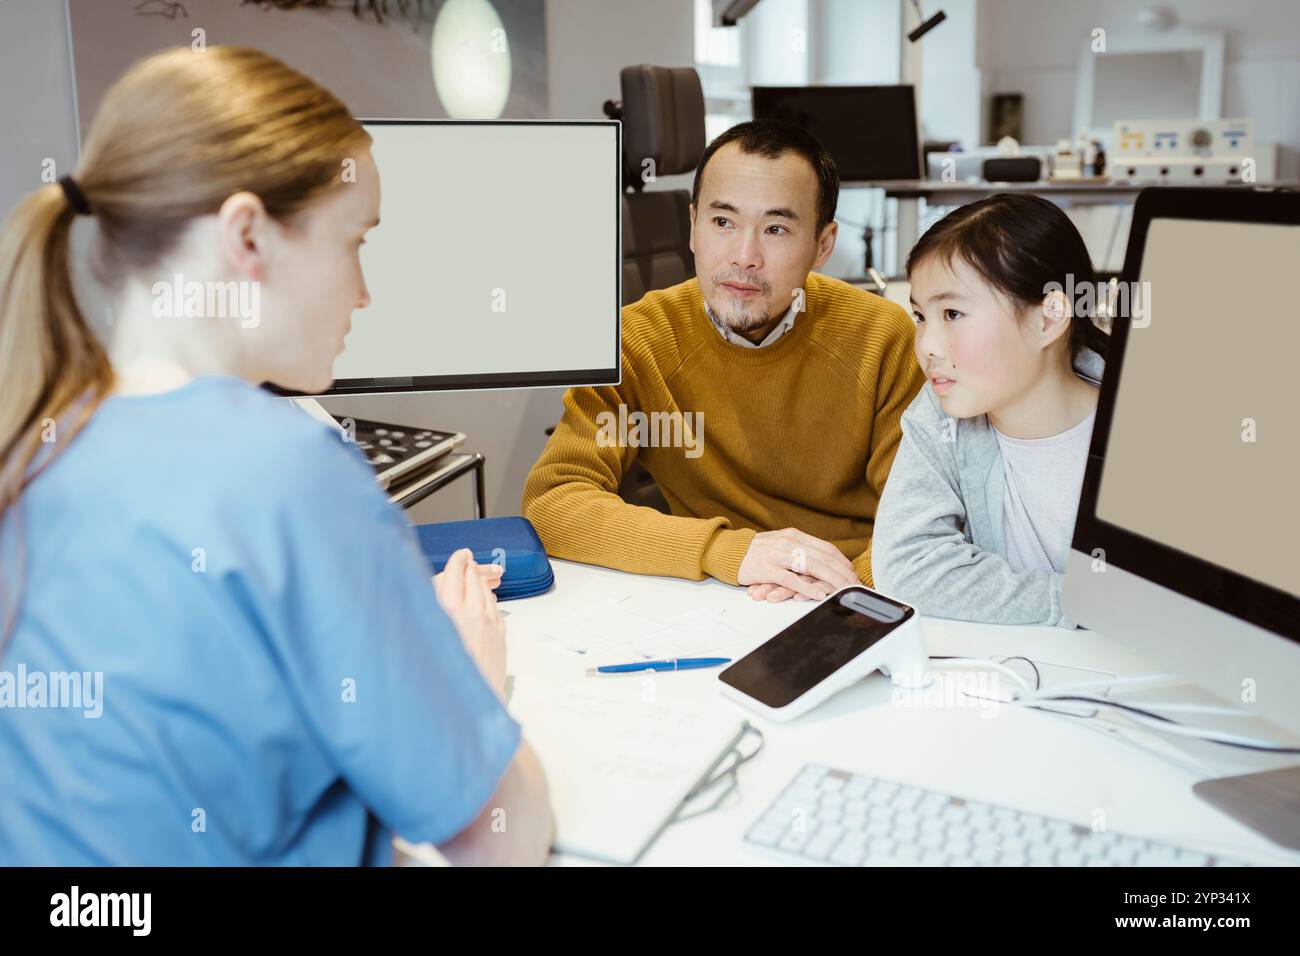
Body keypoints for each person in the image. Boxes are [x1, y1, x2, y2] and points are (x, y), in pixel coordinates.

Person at [0, 46, 551, 865]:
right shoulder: (287, 467)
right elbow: (501, 838)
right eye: (355, 241)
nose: (365, 292)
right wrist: (468, 679)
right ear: (248, 235)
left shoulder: (36, 442)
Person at [522, 120, 925, 604]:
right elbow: (553, 502)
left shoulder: (881, 337)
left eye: (776, 228)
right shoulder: (637, 340)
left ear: (823, 244)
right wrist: (727, 552)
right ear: (692, 226)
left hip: (849, 593)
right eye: (722, 222)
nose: (744, 256)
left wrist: (849, 593)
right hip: (714, 594)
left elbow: (920, 519)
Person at [872, 193, 1108, 626]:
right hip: (1019, 672)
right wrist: (1083, 603)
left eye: (953, 313)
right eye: (921, 316)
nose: (926, 347)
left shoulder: (1150, 423)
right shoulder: (940, 416)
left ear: (1049, 319)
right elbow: (907, 567)